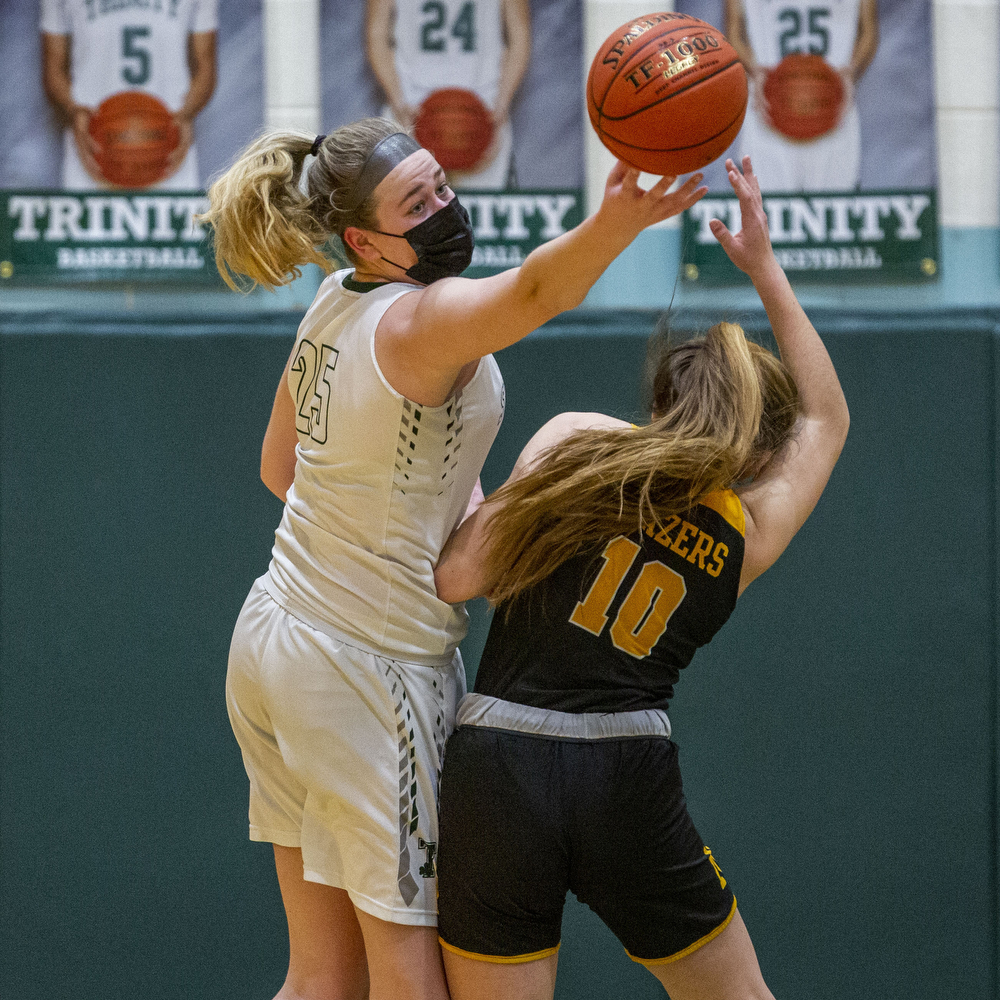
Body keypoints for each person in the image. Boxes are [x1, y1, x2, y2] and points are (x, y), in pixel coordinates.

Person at [203, 116, 706, 1000]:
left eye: (440, 185)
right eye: (416, 202)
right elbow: (539, 292)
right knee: (410, 975)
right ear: (364, 237)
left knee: (322, 975)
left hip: (274, 638)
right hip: (365, 670)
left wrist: (433, 508)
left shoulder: (334, 300)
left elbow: (279, 466)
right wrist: (617, 224)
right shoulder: (419, 321)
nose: (443, 208)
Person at [432, 156, 850, 1000]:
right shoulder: (745, 527)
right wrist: (764, 267)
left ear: (663, 399)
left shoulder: (576, 441)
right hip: (627, 770)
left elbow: (453, 579)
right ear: (757, 446)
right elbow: (826, 417)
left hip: (500, 761)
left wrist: (478, 497)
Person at [40, 0, 218, 190]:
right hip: (91, 150)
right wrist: (73, 110)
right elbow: (53, 68)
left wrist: (187, 113)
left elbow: (205, 65)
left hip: (170, 152)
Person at [366, 0, 531, 189]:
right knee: (404, 214)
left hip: (482, 115)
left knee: (477, 215)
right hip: (409, 112)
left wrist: (501, 105)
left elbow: (519, 32)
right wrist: (398, 102)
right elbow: (377, 32)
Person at [724, 0, 879, 192]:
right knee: (764, 216)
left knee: (833, 216)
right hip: (766, 112)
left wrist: (851, 71)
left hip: (835, 114)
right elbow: (733, 31)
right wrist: (755, 71)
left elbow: (869, 30)